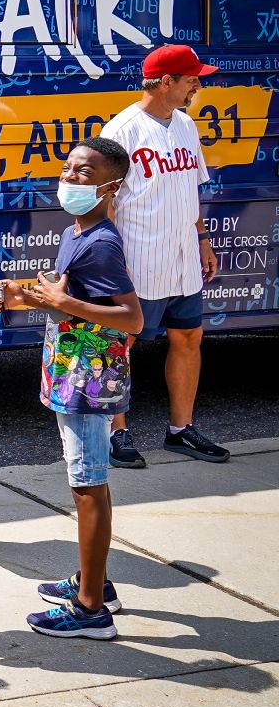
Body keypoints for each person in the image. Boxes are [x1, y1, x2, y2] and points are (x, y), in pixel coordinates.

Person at [0, 137, 142, 639]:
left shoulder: (101, 242)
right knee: (86, 482)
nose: (70, 177)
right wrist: (27, 296)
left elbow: (132, 318)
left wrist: (64, 303)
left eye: (84, 172)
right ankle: (95, 584)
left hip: (89, 381)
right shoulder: (75, 231)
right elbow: (70, 301)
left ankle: (90, 611)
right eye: (68, 168)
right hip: (72, 373)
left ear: (111, 186)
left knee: (87, 486)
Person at [100, 44, 227, 467]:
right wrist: (111, 259)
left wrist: (203, 238)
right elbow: (105, 200)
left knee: (188, 336)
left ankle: (180, 429)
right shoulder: (122, 130)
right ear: (166, 81)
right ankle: (115, 432)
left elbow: (189, 188)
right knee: (122, 344)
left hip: (182, 254)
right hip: (139, 255)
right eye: (191, 79)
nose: (197, 86)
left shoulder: (186, 124)